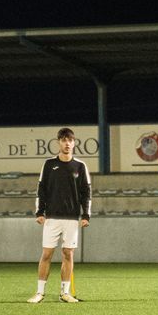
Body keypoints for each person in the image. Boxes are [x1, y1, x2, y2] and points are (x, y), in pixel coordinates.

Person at [28, 127, 92, 303]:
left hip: (72, 218)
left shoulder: (80, 166)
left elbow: (86, 193)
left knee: (68, 254)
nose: (67, 143)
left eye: (70, 140)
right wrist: (40, 212)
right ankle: (40, 292)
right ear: (59, 142)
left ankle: (65, 293)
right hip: (52, 218)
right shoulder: (49, 165)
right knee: (47, 254)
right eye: (64, 140)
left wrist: (86, 215)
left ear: (74, 142)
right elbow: (41, 189)